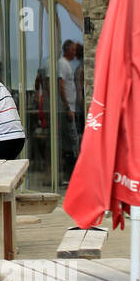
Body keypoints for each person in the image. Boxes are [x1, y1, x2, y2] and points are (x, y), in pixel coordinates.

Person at [56, 39, 80, 178]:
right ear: (67, 50)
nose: (75, 52)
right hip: (67, 108)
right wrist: (67, 107)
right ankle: (71, 173)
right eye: (73, 50)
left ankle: (71, 172)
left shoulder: (67, 64)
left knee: (72, 139)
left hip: (71, 107)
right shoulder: (63, 64)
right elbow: (61, 86)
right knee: (72, 140)